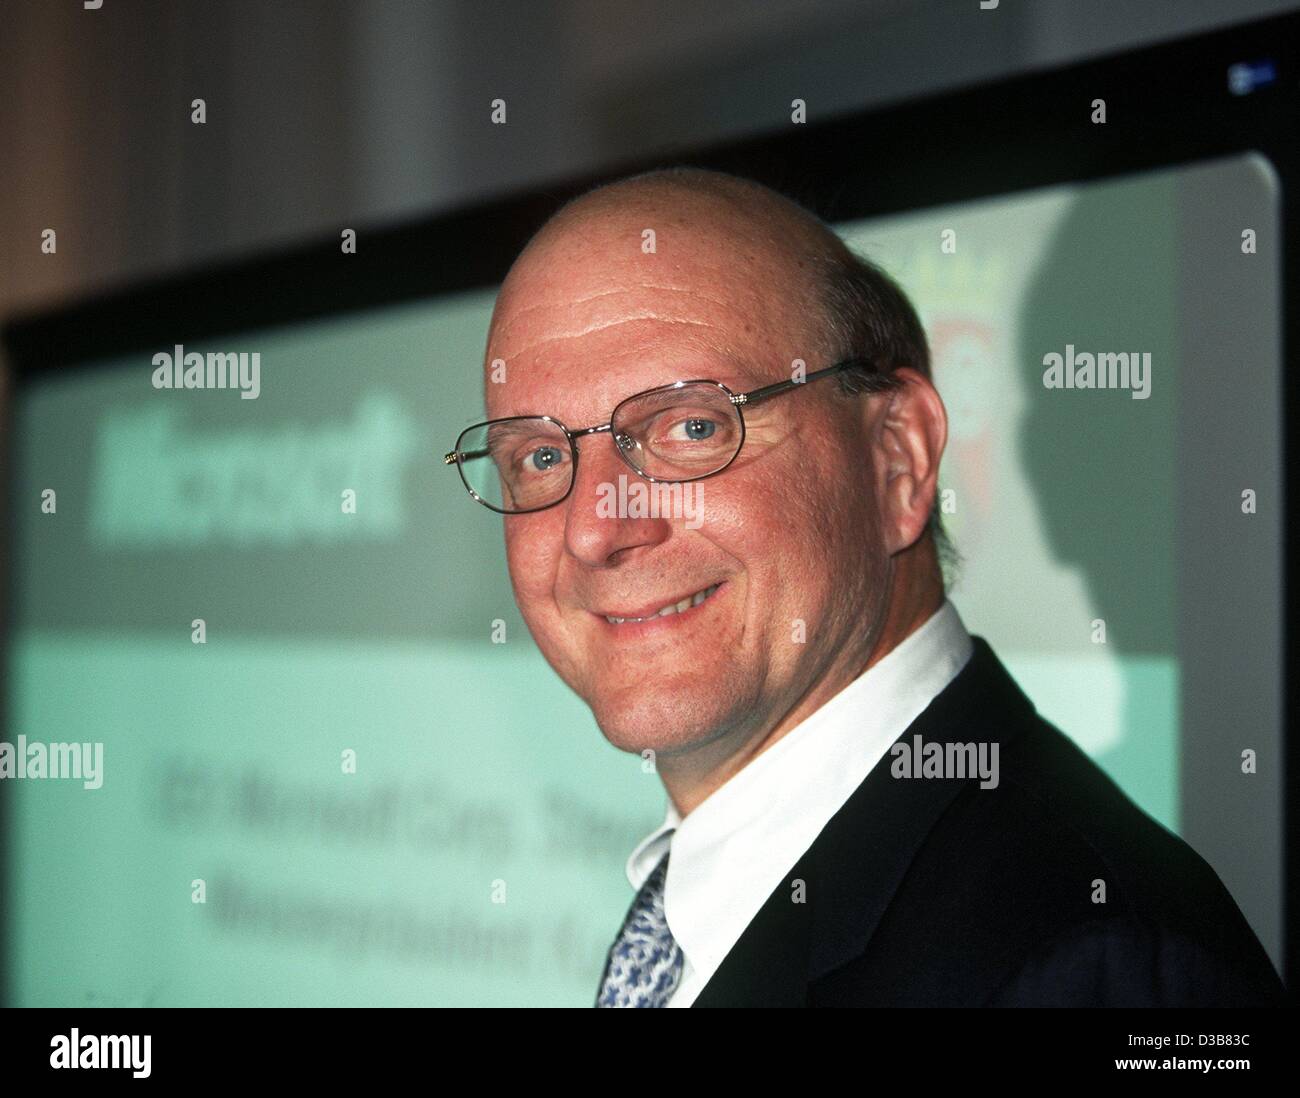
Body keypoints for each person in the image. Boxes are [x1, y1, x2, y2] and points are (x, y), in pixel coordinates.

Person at [444, 166, 1287, 1007]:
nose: (596, 529)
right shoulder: (714, 899)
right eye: (540, 456)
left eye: (692, 427)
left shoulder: (1094, 966)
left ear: (897, 459)